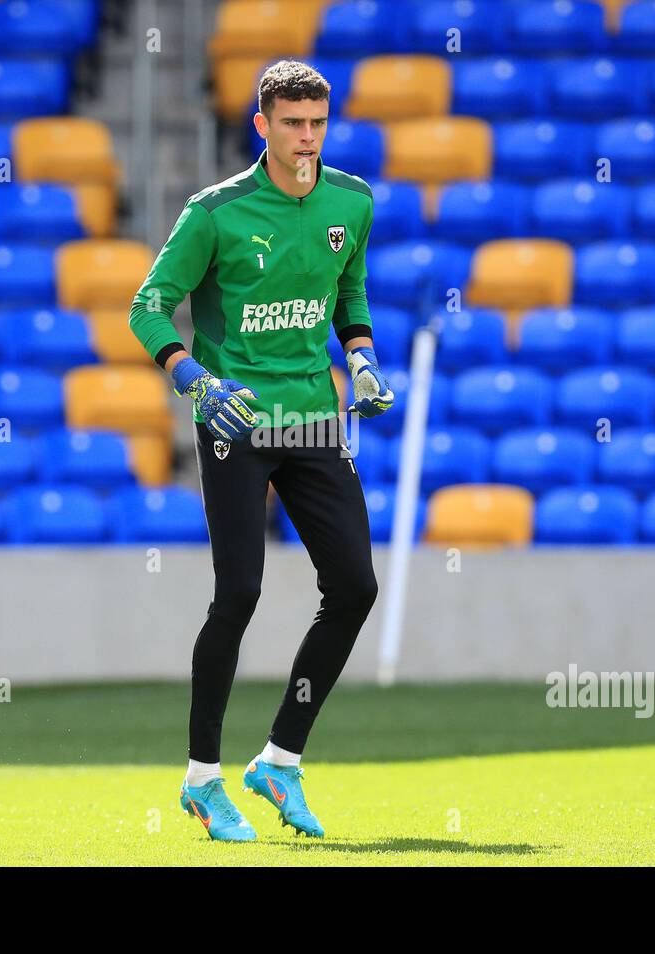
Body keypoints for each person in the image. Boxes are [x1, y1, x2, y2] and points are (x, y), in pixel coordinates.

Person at [128, 60, 396, 841]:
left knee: (353, 586)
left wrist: (363, 357)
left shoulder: (353, 200)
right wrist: (193, 382)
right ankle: (202, 779)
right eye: (292, 124)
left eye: (317, 123)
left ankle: (279, 760)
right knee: (238, 594)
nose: (306, 138)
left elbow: (349, 293)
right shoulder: (215, 213)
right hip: (235, 418)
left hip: (314, 416)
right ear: (262, 126)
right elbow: (148, 307)